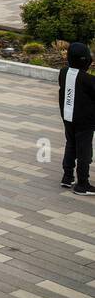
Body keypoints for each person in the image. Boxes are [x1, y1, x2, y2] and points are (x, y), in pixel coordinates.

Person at [59, 42, 95, 196]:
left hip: (68, 117)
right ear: (86, 61)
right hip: (85, 122)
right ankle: (82, 184)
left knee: (71, 144)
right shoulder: (88, 79)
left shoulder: (63, 72)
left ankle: (67, 177)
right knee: (84, 152)